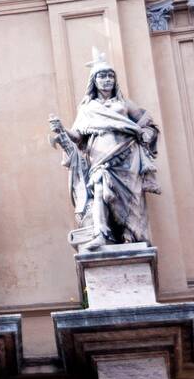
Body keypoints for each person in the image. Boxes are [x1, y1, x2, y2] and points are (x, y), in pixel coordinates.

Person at [49, 59, 160, 250]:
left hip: (127, 156)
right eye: (102, 76)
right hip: (100, 158)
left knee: (130, 199)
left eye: (110, 76)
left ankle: (129, 235)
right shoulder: (87, 108)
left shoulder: (123, 103)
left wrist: (143, 133)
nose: (107, 80)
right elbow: (77, 135)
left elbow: (146, 121)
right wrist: (62, 129)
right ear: (94, 81)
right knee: (99, 187)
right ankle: (100, 233)